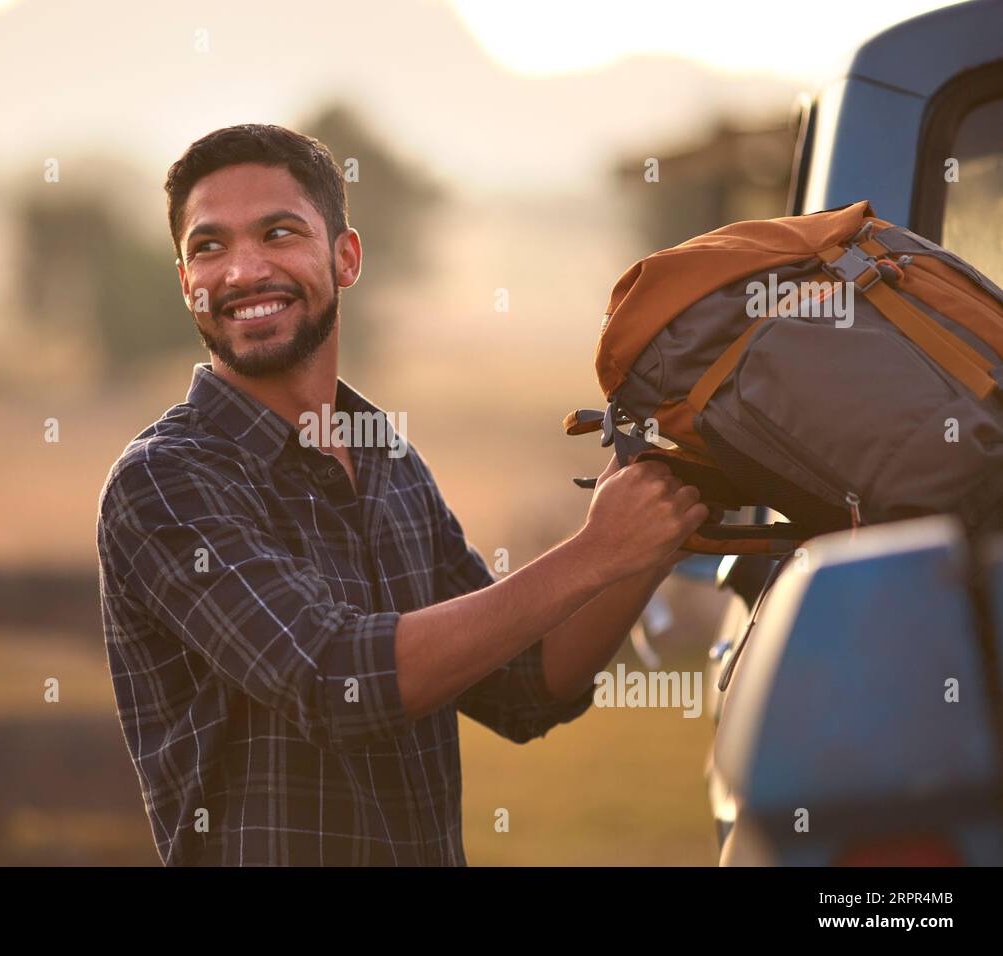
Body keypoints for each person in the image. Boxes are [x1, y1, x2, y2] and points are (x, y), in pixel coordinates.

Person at [96, 124, 709, 866]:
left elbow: (526, 687)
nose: (242, 270)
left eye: (278, 233)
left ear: (345, 257)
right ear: (185, 279)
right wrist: (591, 552)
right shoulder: (165, 481)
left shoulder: (387, 458)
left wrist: (652, 521)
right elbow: (331, 677)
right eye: (209, 247)